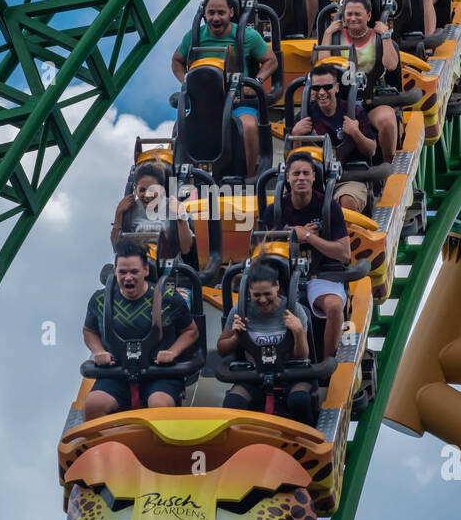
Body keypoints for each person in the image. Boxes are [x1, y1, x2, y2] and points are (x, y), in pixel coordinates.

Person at [82, 241, 199, 418]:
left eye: (134, 271)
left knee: (159, 405)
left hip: (160, 374)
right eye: (122, 272)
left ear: (145, 270)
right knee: (93, 404)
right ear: (115, 271)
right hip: (117, 373)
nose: (128, 277)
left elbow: (191, 331)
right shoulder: (99, 300)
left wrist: (173, 352)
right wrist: (98, 351)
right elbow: (89, 331)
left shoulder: (168, 298)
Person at [172, 0, 277, 176]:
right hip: (203, 105)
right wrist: (185, 84)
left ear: (231, 12)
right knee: (181, 128)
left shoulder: (247, 35)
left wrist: (256, 82)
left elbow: (271, 60)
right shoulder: (194, 36)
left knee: (249, 126)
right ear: (205, 14)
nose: (215, 18)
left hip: (237, 102)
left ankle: (249, 176)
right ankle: (191, 178)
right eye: (211, 13)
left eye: (220, 13)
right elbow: (177, 61)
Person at [258, 153, 352, 360]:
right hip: (285, 276)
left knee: (335, 306)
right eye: (296, 174)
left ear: (313, 178)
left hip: (321, 274)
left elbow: (345, 254)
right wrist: (293, 239)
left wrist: (308, 236)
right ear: (288, 178)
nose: (301, 178)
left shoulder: (328, 206)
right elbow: (261, 251)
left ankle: (328, 363)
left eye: (306, 173)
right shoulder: (276, 210)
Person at [216, 262, 314, 424]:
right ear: (249, 292)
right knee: (233, 404)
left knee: (299, 401)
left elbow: (302, 356)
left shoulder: (294, 310)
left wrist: (297, 331)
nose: (262, 300)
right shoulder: (240, 311)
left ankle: (311, 440)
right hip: (254, 376)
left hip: (291, 375)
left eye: (267, 294)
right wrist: (236, 337)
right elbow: (222, 350)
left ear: (277, 286)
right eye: (256, 295)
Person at [320, 0, 399, 162]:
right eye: (349, 14)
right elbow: (322, 68)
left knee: (387, 119)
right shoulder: (335, 37)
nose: (353, 18)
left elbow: (391, 65)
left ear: (369, 15)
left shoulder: (377, 38)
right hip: (340, 105)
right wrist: (327, 33)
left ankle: (387, 167)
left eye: (358, 14)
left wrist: (386, 36)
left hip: (370, 103)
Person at [290, 64, 376, 212]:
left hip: (350, 178)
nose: (322, 92)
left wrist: (355, 133)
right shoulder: (305, 115)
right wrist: (296, 135)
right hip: (316, 179)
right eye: (316, 88)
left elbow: (371, 150)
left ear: (336, 88)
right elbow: (294, 161)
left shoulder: (354, 112)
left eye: (327, 87)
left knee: (347, 201)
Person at [110, 161, 194, 262]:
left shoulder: (174, 207)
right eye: (142, 190)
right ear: (135, 189)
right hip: (135, 266)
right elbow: (116, 248)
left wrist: (181, 218)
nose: (147, 195)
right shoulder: (129, 210)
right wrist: (118, 214)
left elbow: (186, 249)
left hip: (168, 268)